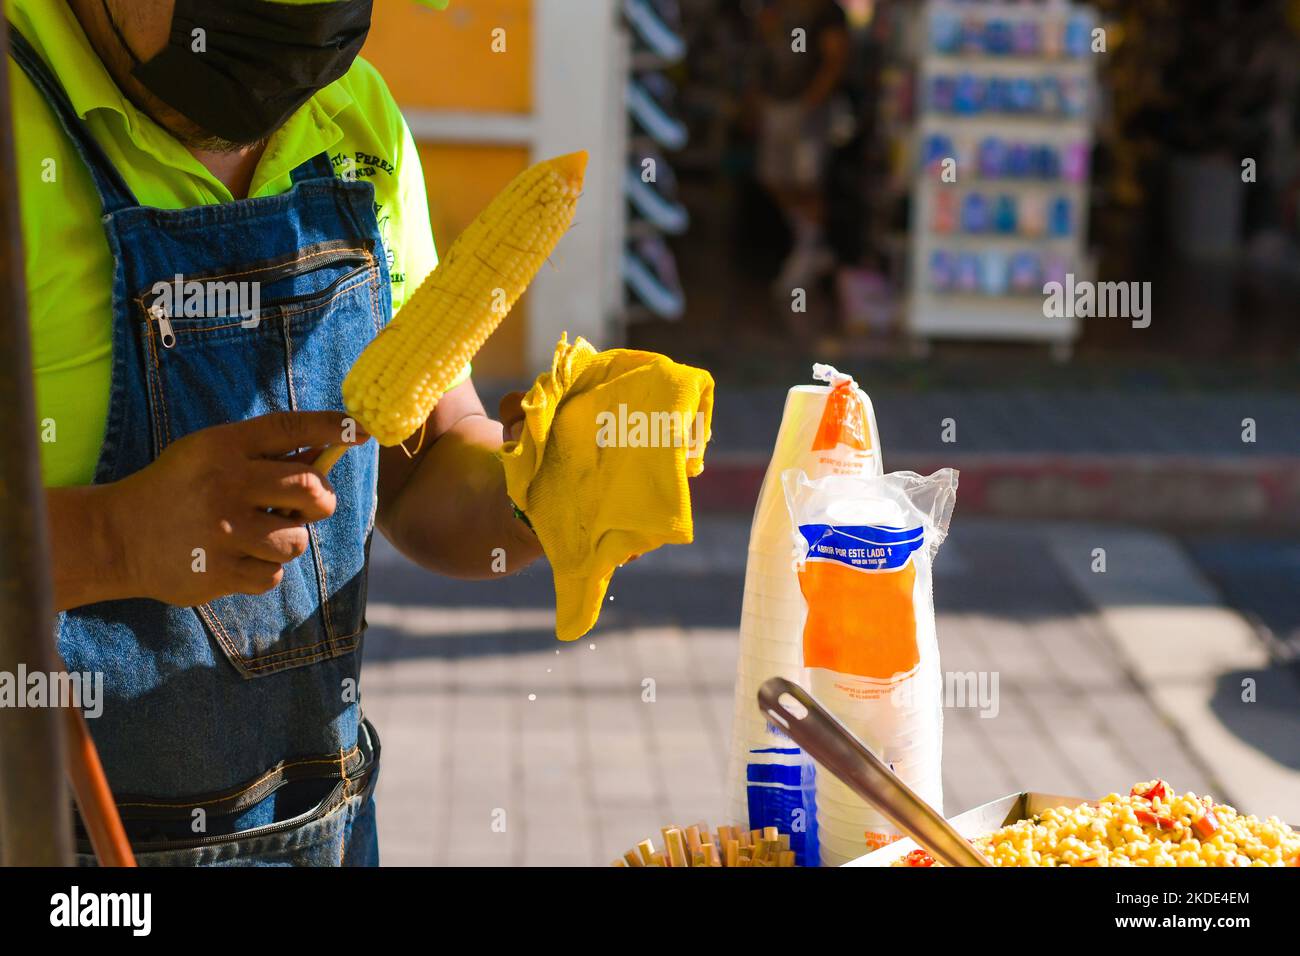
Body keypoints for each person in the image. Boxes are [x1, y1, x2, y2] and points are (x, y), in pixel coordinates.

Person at [9, 0, 541, 865]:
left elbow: (429, 460)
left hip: (319, 829)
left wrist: (543, 487)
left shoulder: (356, 118)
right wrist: (114, 537)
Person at [753, 0, 850, 295]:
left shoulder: (826, 11)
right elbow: (768, 52)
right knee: (773, 176)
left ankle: (809, 248)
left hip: (806, 108)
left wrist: (813, 100)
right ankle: (808, 240)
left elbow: (836, 58)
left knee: (806, 180)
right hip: (777, 104)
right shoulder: (778, 9)